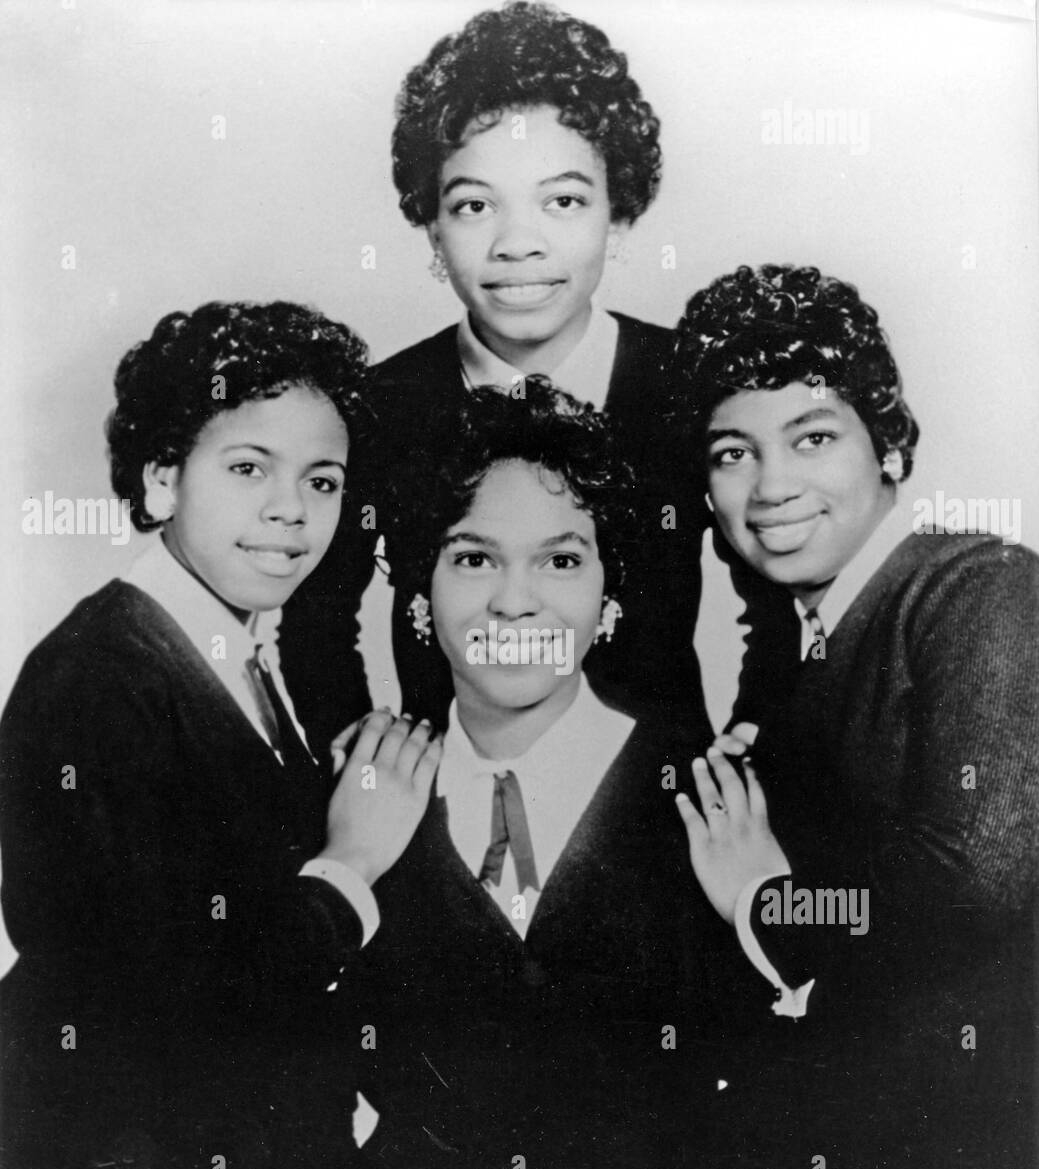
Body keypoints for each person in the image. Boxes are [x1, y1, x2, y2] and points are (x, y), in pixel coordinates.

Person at [275, 379, 781, 1169]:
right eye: (472, 558)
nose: (514, 603)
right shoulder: (358, 787)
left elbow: (788, 1067)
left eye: (559, 562)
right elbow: (271, 1058)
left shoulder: (709, 794)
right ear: (420, 597)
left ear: (608, 594)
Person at [0, 301, 443, 1169]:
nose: (291, 509)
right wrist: (351, 864)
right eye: (247, 467)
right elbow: (157, 1005)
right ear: (161, 479)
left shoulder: (236, 652)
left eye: (320, 480)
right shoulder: (96, 675)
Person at [280, 0, 795, 747]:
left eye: (562, 201)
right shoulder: (378, 405)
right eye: (473, 205)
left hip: (656, 814)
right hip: (444, 814)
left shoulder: (689, 383)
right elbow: (316, 618)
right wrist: (364, 760)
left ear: (617, 217)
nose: (518, 242)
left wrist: (750, 736)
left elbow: (778, 591)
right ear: (430, 227)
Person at [673, 264, 1039, 1169]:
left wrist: (764, 902)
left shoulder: (980, 589)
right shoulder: (802, 651)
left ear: (890, 447)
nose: (771, 483)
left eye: (813, 437)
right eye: (732, 453)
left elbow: (974, 877)